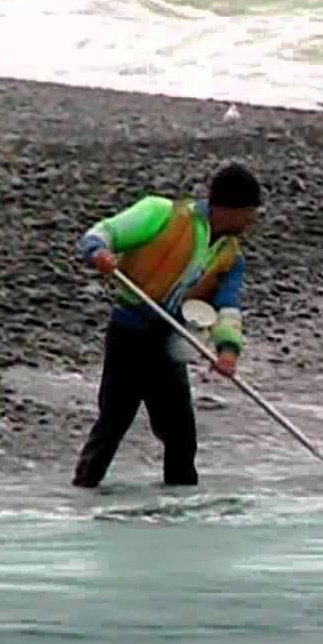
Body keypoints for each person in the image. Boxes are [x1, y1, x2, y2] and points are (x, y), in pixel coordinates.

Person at [70, 161, 263, 488]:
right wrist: (97, 252)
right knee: (114, 421)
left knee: (181, 434)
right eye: (248, 213)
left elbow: (227, 307)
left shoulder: (231, 257)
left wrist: (228, 350)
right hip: (129, 333)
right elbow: (103, 233)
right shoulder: (162, 213)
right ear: (228, 209)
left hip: (169, 338)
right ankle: (83, 493)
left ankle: (181, 505)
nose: (251, 221)